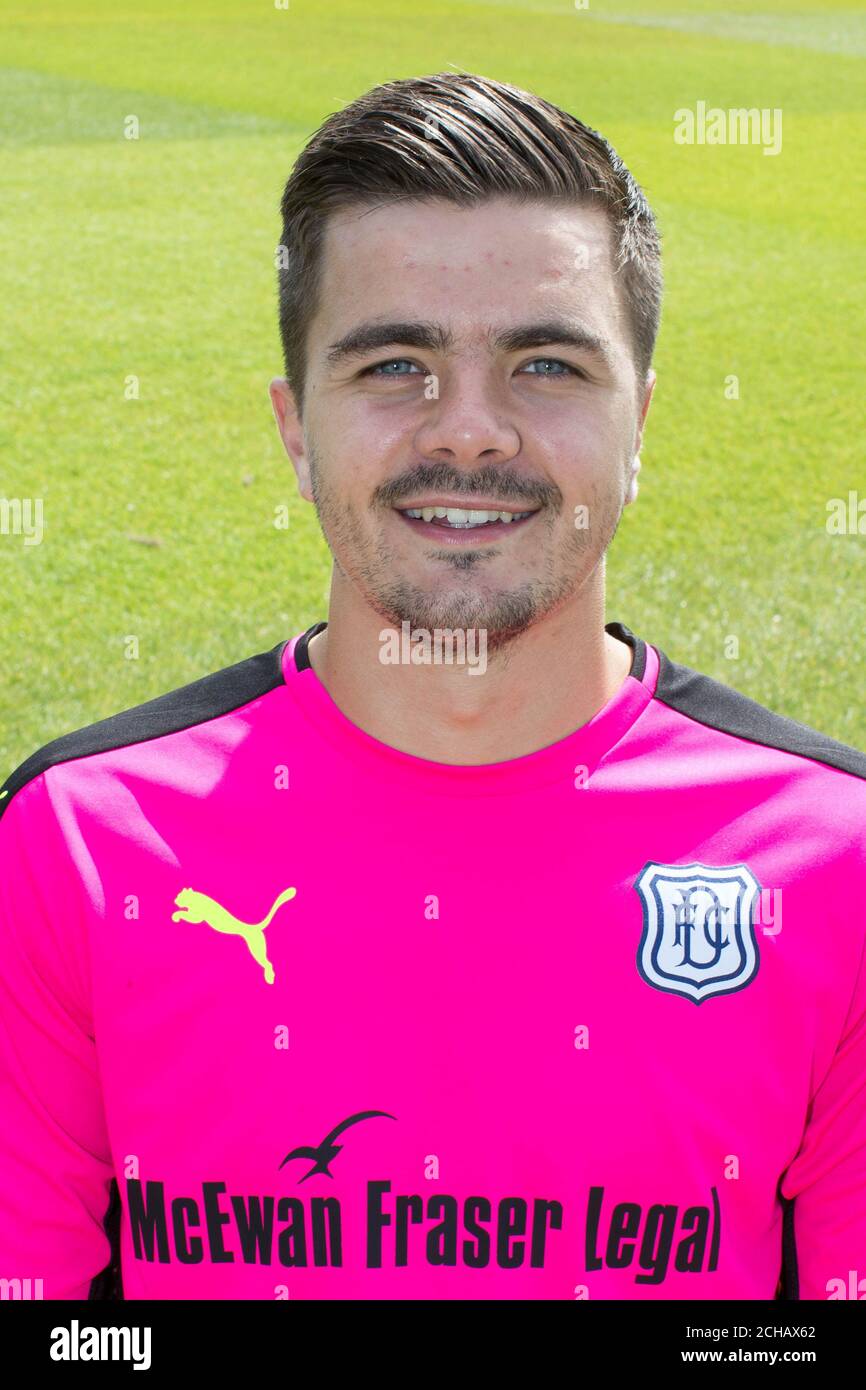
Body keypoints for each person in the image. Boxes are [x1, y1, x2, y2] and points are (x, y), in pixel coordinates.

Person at [1, 70, 864, 1302]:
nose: (468, 431)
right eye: (394, 364)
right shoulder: (78, 846)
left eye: (546, 366)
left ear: (640, 425)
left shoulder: (835, 861)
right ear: (295, 430)